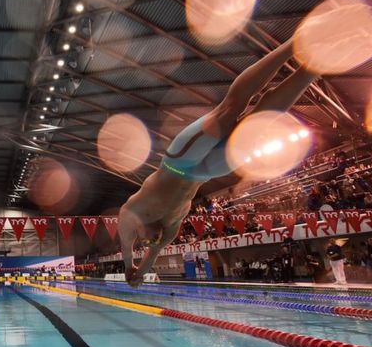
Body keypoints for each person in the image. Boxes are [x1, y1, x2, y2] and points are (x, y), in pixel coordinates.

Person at [118, 36, 322, 287]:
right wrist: (138, 274)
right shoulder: (168, 231)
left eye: (146, 240)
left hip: (178, 161)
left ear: (137, 233)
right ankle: (312, 69)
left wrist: (129, 267)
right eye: (151, 243)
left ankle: (293, 44)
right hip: (206, 172)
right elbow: (150, 259)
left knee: (230, 108)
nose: (152, 240)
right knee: (260, 121)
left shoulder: (132, 214)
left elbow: (128, 252)